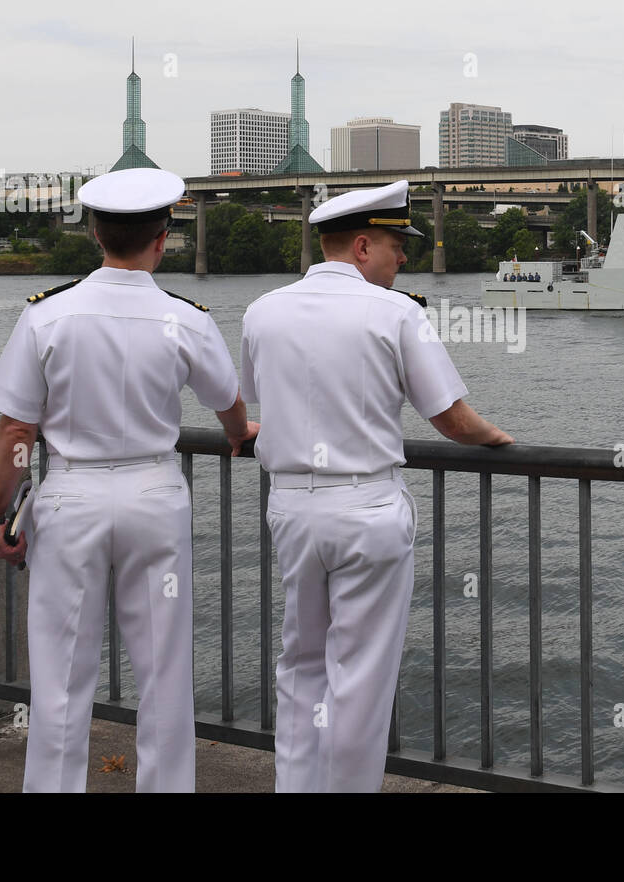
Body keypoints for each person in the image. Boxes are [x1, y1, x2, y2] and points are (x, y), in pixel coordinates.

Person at [0, 168, 257, 792]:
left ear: (95, 234)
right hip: (155, 495)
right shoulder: (184, 318)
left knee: (60, 678)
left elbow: (15, 434)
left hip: (71, 495)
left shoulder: (47, 316)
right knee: (162, 673)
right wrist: (240, 434)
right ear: (162, 238)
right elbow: (228, 402)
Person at [240, 179, 512, 793]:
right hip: (365, 507)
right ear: (363, 246)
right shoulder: (396, 312)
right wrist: (497, 437)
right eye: (397, 245)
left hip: (290, 506)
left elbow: (263, 401)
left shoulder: (264, 309)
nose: (405, 257)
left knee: (300, 663)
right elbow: (451, 418)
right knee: (358, 677)